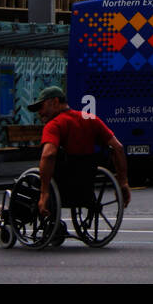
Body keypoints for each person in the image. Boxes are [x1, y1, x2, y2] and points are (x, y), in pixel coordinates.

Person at [29, 86, 131, 220]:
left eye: (41, 107)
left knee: (31, 180)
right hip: (84, 186)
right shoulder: (91, 119)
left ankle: (19, 212)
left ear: (54, 102)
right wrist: (123, 182)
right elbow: (118, 147)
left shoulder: (54, 125)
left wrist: (44, 193)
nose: (39, 113)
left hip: (62, 186)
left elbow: (49, 155)